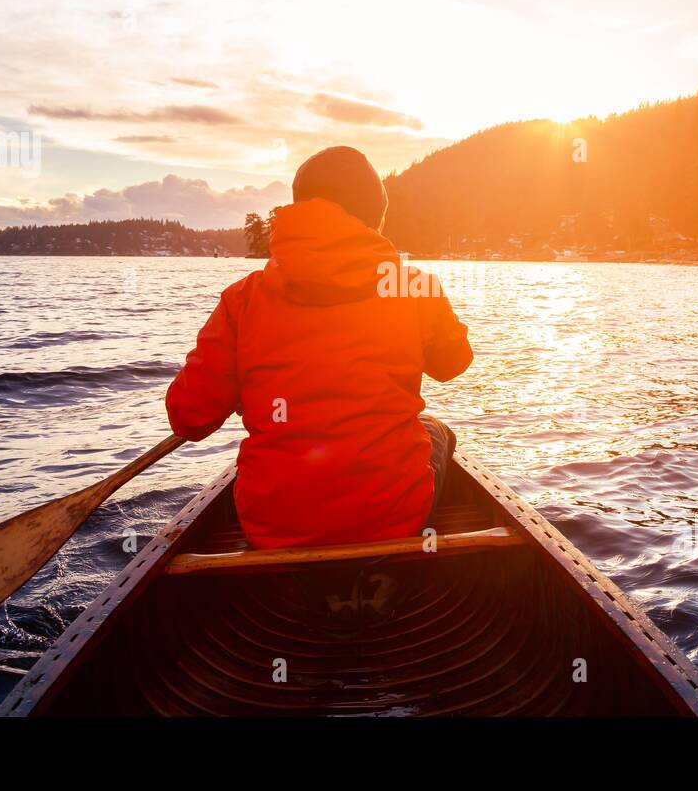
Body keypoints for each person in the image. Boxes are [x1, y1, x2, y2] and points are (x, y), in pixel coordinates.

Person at [165, 146, 473, 549]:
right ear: (376, 219)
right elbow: (454, 362)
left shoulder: (242, 301)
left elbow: (188, 418)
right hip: (394, 519)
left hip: (274, 528)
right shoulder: (411, 286)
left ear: (298, 208)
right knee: (436, 430)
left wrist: (241, 384)